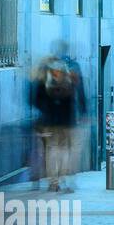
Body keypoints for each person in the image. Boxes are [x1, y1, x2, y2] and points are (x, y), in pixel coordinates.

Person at [30, 43, 87, 193]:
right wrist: (83, 112)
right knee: (65, 150)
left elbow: (35, 99)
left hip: (49, 120)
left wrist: (45, 111)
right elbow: (79, 94)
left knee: (52, 150)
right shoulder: (70, 74)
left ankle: (53, 182)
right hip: (67, 119)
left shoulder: (44, 75)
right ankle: (64, 179)